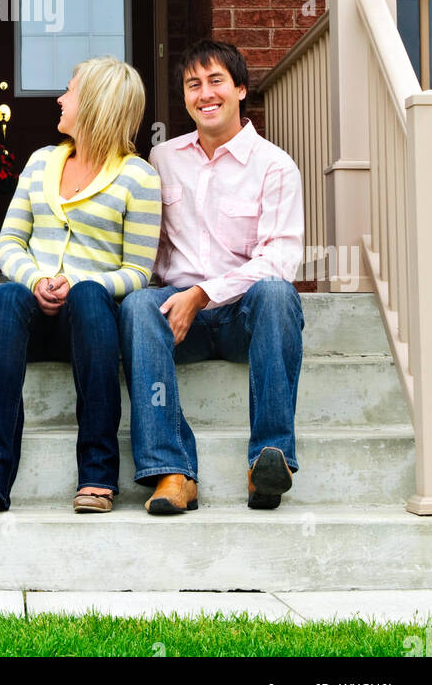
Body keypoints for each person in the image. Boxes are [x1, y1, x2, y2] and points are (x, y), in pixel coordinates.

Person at [0, 56, 161, 516]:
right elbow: (9, 242)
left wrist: (78, 284)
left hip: (91, 323)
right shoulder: (41, 162)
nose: (59, 98)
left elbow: (138, 271)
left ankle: (97, 475)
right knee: (6, 295)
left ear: (93, 103)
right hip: (32, 314)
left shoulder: (139, 177)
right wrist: (35, 280)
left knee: (90, 294)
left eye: (69, 90)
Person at [119, 39, 305, 516]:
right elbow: (149, 245)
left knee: (278, 293)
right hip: (183, 321)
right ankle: (172, 471)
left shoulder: (275, 166)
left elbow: (281, 259)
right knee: (139, 305)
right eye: (193, 84)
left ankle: (270, 457)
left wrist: (203, 293)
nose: (205, 93)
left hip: (245, 317)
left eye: (216, 81)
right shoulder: (162, 160)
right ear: (184, 96)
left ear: (240, 89)